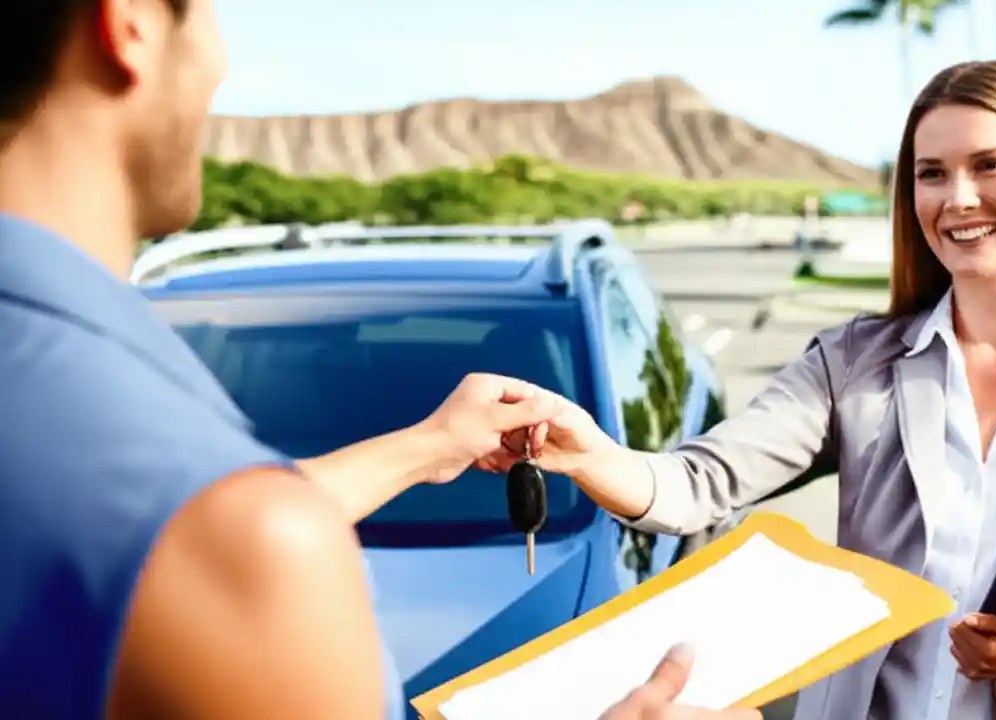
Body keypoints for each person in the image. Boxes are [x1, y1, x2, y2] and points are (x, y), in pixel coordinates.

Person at [0, 2, 762, 719]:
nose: (220, 60)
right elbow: (202, 524)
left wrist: (426, 448)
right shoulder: (239, 542)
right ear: (126, 22)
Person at [488, 60, 996, 720]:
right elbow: (699, 482)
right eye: (931, 174)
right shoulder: (853, 364)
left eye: (989, 165)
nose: (958, 199)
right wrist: (587, 452)